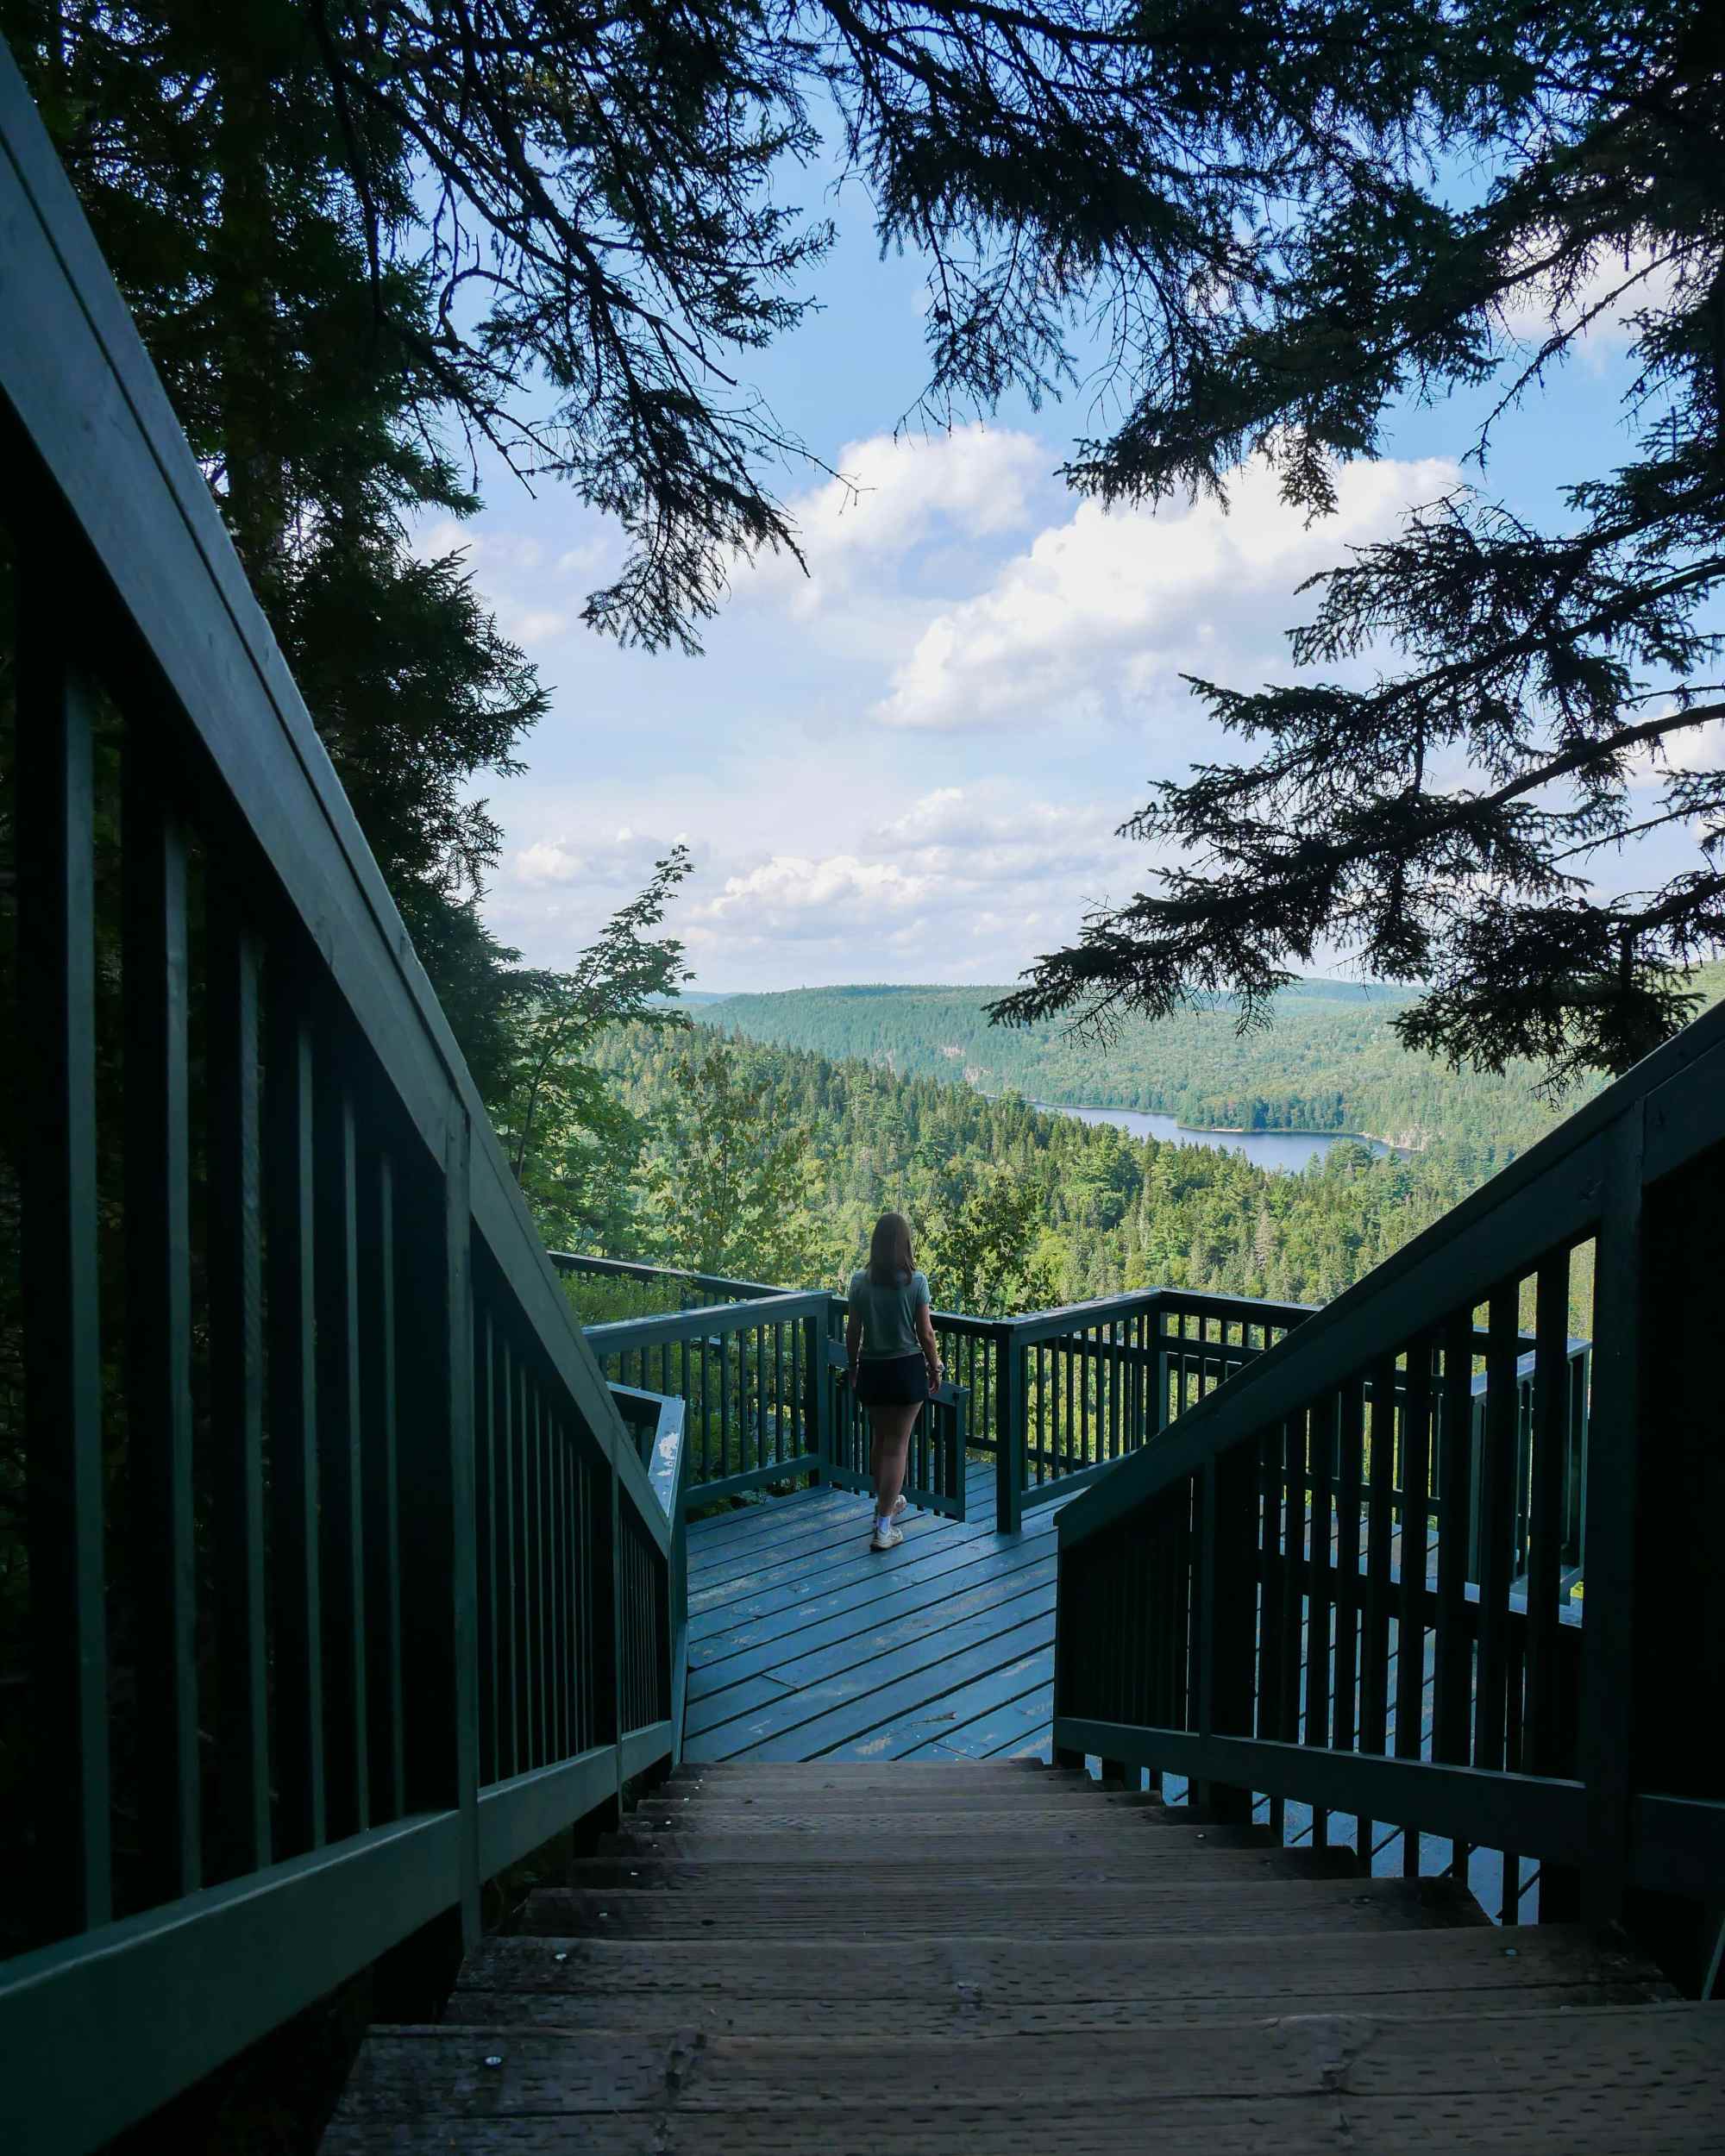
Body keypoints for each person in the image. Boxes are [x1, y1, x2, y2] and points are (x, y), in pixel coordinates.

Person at [845, 1211, 942, 1551]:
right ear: (905, 1243)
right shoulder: (917, 1281)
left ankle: (883, 1507)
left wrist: (853, 1366)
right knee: (898, 1445)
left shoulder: (859, 1281)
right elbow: (926, 1333)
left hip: (872, 1369)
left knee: (880, 1441)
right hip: (905, 1370)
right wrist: (935, 1368)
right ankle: (885, 1527)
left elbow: (853, 1331)